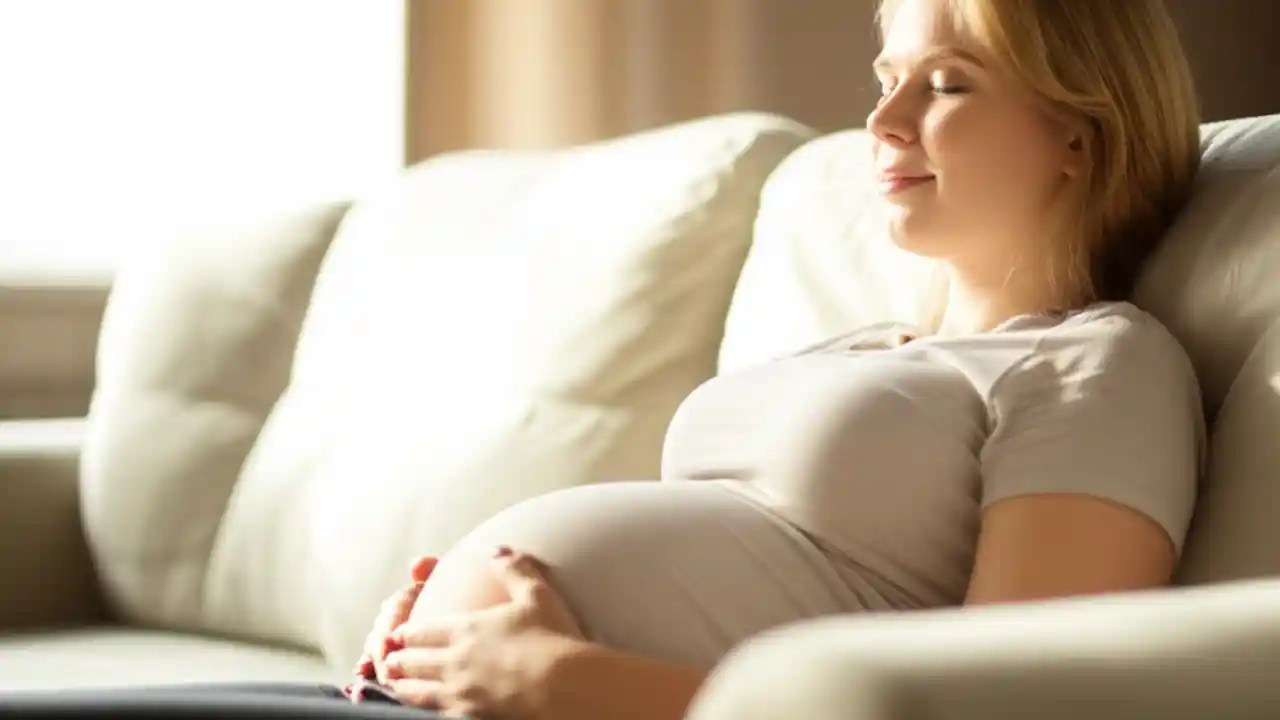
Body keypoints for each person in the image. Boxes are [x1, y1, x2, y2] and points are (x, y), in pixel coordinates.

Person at [1, 0, 1206, 718]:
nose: (880, 126)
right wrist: (446, 633)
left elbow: (1009, 710)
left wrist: (561, 677)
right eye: (884, 82)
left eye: (944, 84)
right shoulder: (861, 346)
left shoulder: (1098, 366)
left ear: (1078, 130)